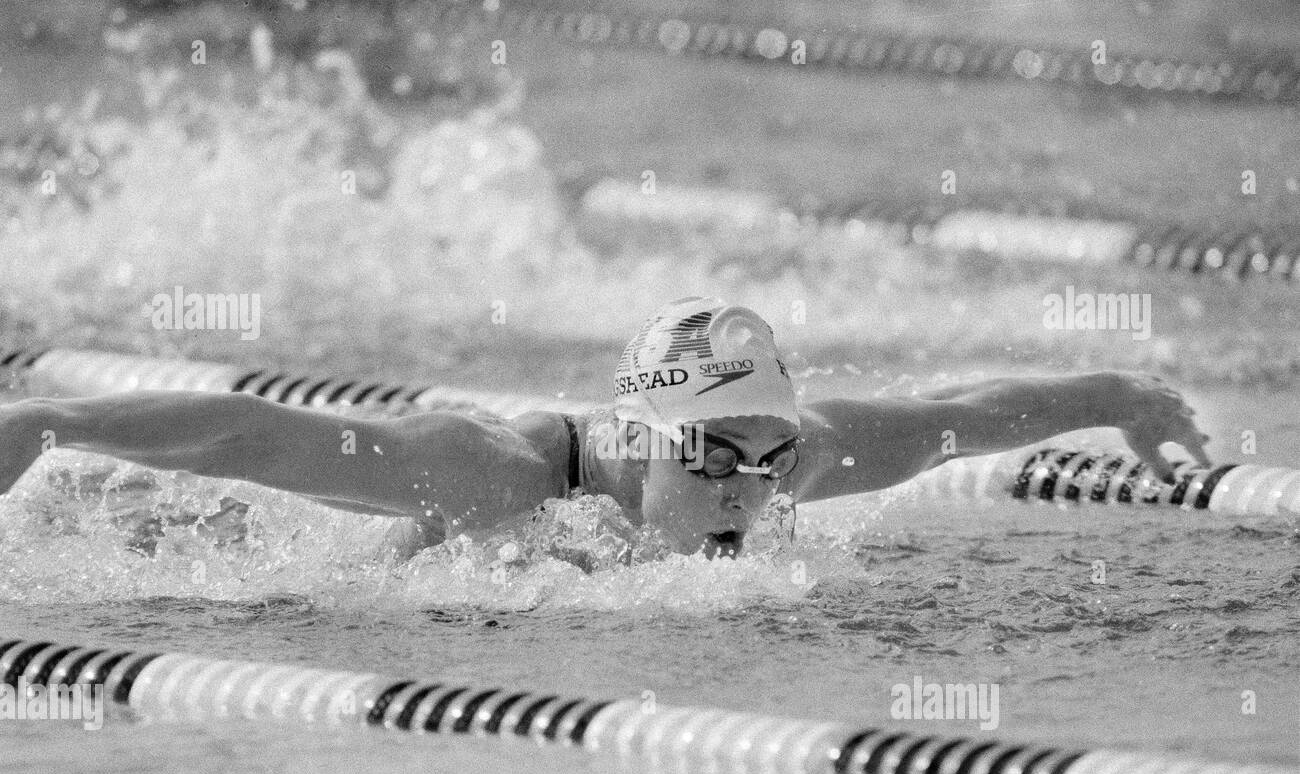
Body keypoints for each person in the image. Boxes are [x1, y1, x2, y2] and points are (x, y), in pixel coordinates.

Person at [0, 297, 1211, 559]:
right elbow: (257, 436)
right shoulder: (496, 475)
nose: (750, 487)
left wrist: (1121, 393)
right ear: (638, 444)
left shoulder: (801, 456)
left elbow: (963, 416)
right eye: (715, 453)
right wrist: (49, 418)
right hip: (240, 535)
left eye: (766, 450)